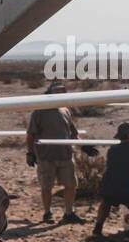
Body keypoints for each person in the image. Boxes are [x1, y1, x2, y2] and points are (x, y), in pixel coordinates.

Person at [25, 81, 88, 224]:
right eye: (57, 90)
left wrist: (83, 146)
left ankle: (69, 213)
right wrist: (30, 153)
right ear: (50, 92)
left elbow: (73, 133)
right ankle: (47, 213)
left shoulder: (65, 110)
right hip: (46, 156)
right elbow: (30, 135)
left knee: (71, 185)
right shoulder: (40, 111)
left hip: (65, 155)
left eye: (63, 90)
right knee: (47, 187)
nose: (61, 92)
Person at [91, 121, 129, 240]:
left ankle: (97, 230)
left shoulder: (112, 149)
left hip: (107, 186)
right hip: (124, 189)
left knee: (106, 202)